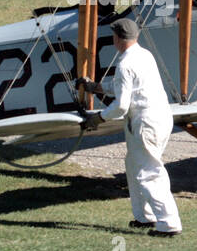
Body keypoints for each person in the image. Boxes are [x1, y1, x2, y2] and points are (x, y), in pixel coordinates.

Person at [78, 18, 183, 237]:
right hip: (161, 118)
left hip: (145, 123)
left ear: (117, 38)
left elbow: (121, 106)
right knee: (134, 166)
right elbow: (128, 88)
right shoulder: (145, 55)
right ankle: (144, 217)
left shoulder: (125, 64)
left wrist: (97, 118)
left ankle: (168, 223)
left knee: (148, 172)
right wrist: (95, 88)